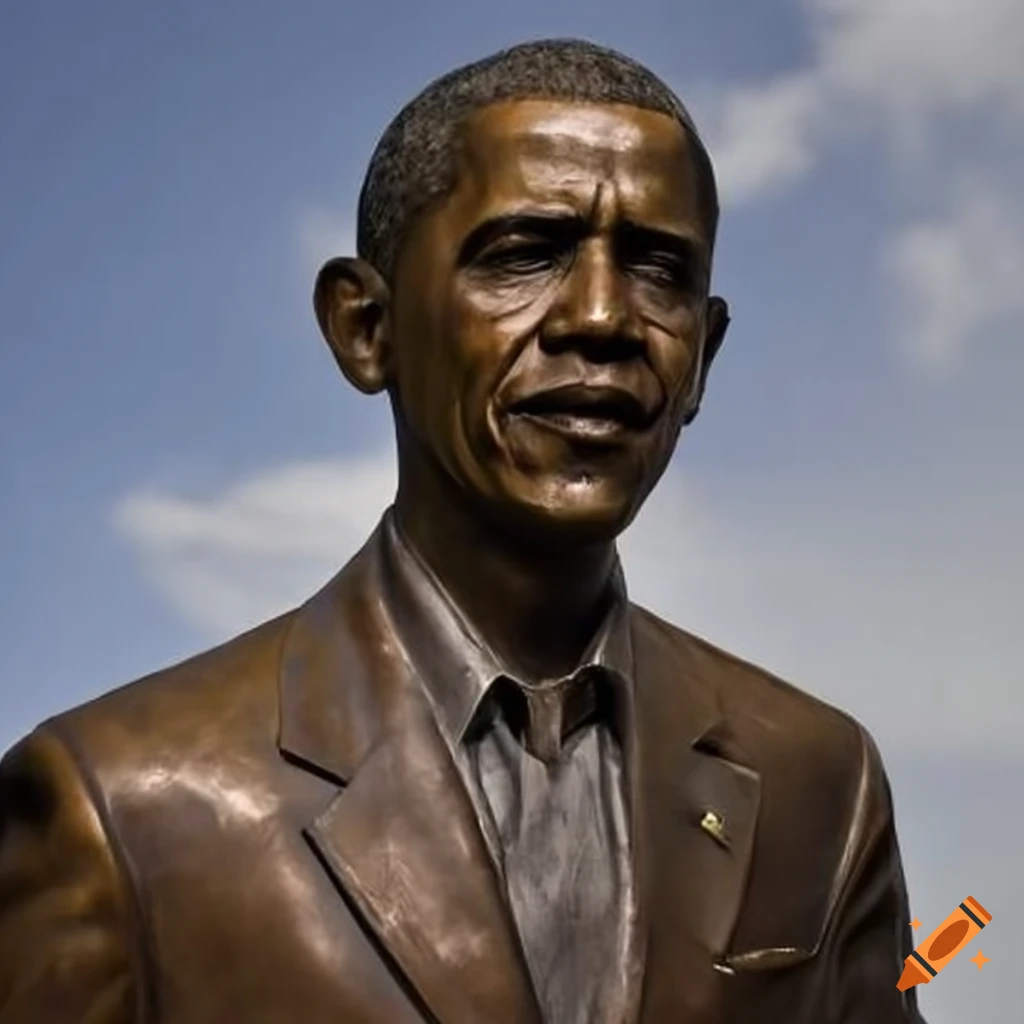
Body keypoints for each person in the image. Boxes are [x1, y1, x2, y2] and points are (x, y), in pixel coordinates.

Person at [0, 39, 923, 1024]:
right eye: (524, 253)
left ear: (705, 355)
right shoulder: (121, 807)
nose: (604, 318)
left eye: (659, 270)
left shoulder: (817, 780)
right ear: (365, 327)